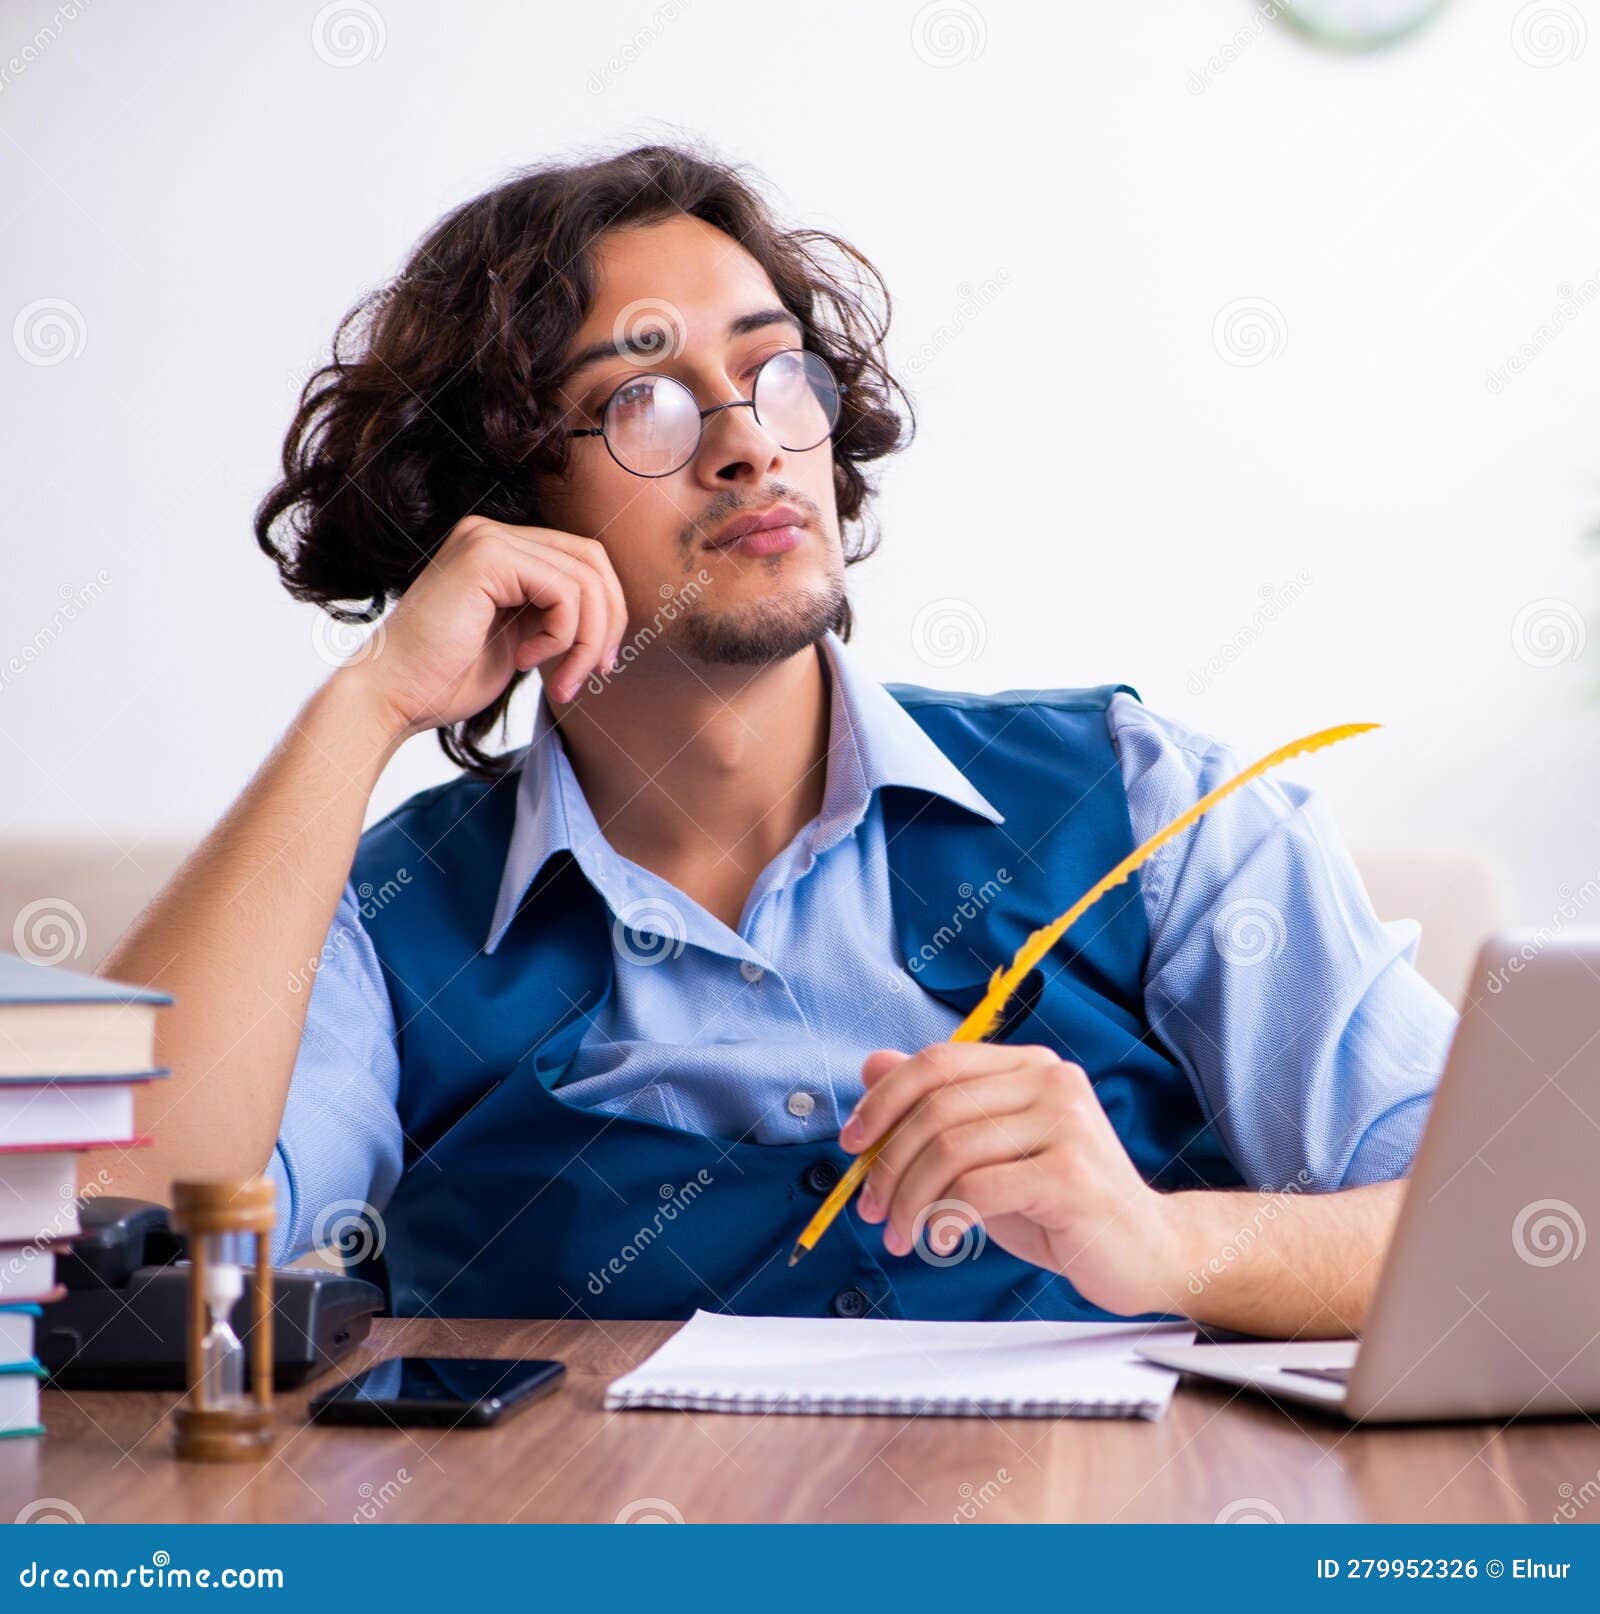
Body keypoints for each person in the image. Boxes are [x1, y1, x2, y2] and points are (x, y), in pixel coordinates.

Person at [101, 141, 1457, 1332]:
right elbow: (117, 1242)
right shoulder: (378, 920)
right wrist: (368, 702)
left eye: (773, 372)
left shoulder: (1154, 805)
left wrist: (1170, 1243)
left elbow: (1515, 1229)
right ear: (500, 495)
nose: (748, 440)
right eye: (646, 398)